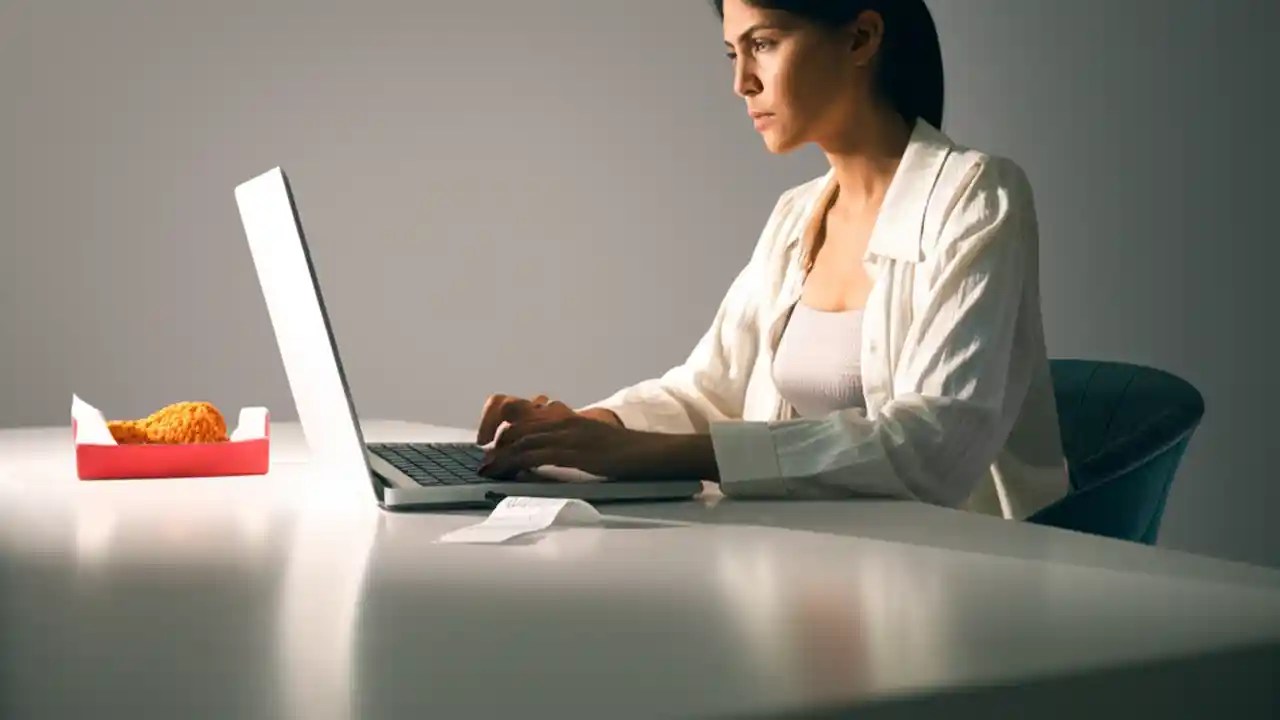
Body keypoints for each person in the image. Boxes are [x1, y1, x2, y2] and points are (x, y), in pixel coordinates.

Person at [475, 0, 1070, 520]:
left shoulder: (976, 195)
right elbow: (710, 391)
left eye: (763, 44)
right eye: (732, 53)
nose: (742, 82)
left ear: (860, 38)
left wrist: (648, 455)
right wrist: (583, 429)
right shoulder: (797, 215)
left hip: (967, 568)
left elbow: (932, 444)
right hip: (814, 557)